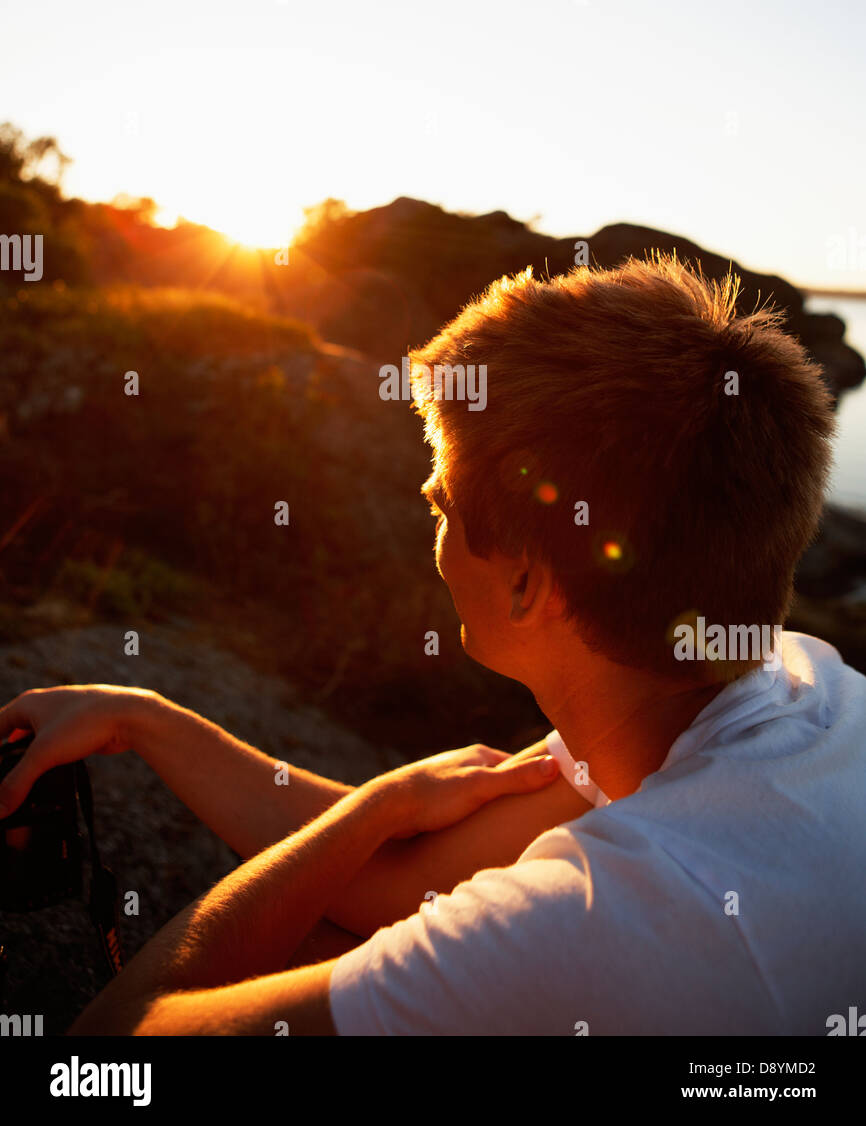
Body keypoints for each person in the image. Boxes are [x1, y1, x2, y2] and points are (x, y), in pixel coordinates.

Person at [1, 254, 864, 1035]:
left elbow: (113, 1054)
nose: (434, 525)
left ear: (527, 583)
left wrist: (379, 806)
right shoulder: (784, 684)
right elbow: (390, 880)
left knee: (324, 945)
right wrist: (144, 720)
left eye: (441, 504)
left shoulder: (595, 919)